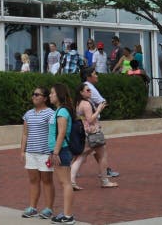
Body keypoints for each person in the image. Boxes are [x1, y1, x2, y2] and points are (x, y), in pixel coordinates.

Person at [70, 83, 118, 190]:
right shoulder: (86, 104)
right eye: (87, 90)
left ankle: (71, 180)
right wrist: (99, 109)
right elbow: (90, 119)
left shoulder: (78, 104)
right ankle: (105, 181)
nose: (90, 92)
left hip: (85, 133)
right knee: (102, 156)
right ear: (81, 92)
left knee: (81, 156)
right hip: (93, 133)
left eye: (90, 90)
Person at [20, 86, 55, 219]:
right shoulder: (28, 114)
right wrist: (22, 151)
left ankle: (48, 209)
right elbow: (24, 134)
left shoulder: (50, 113)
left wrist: (52, 152)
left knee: (47, 180)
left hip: (45, 153)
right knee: (33, 180)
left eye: (37, 95)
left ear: (45, 98)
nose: (34, 97)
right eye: (33, 94)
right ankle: (32, 208)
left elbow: (53, 133)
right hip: (31, 153)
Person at [81, 67, 120, 178]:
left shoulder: (84, 87)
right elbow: (101, 101)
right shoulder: (89, 88)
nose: (97, 75)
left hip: (87, 122)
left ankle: (72, 169)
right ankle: (104, 172)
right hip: (91, 122)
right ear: (89, 76)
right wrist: (99, 108)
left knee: (92, 148)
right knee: (96, 148)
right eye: (95, 74)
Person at [48, 83, 75, 224]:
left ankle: (68, 216)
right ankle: (66, 213)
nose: (50, 95)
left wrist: (56, 152)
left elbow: (62, 132)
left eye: (52, 93)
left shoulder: (62, 112)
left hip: (62, 150)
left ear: (59, 94)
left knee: (66, 183)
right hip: (58, 150)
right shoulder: (58, 110)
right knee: (64, 182)